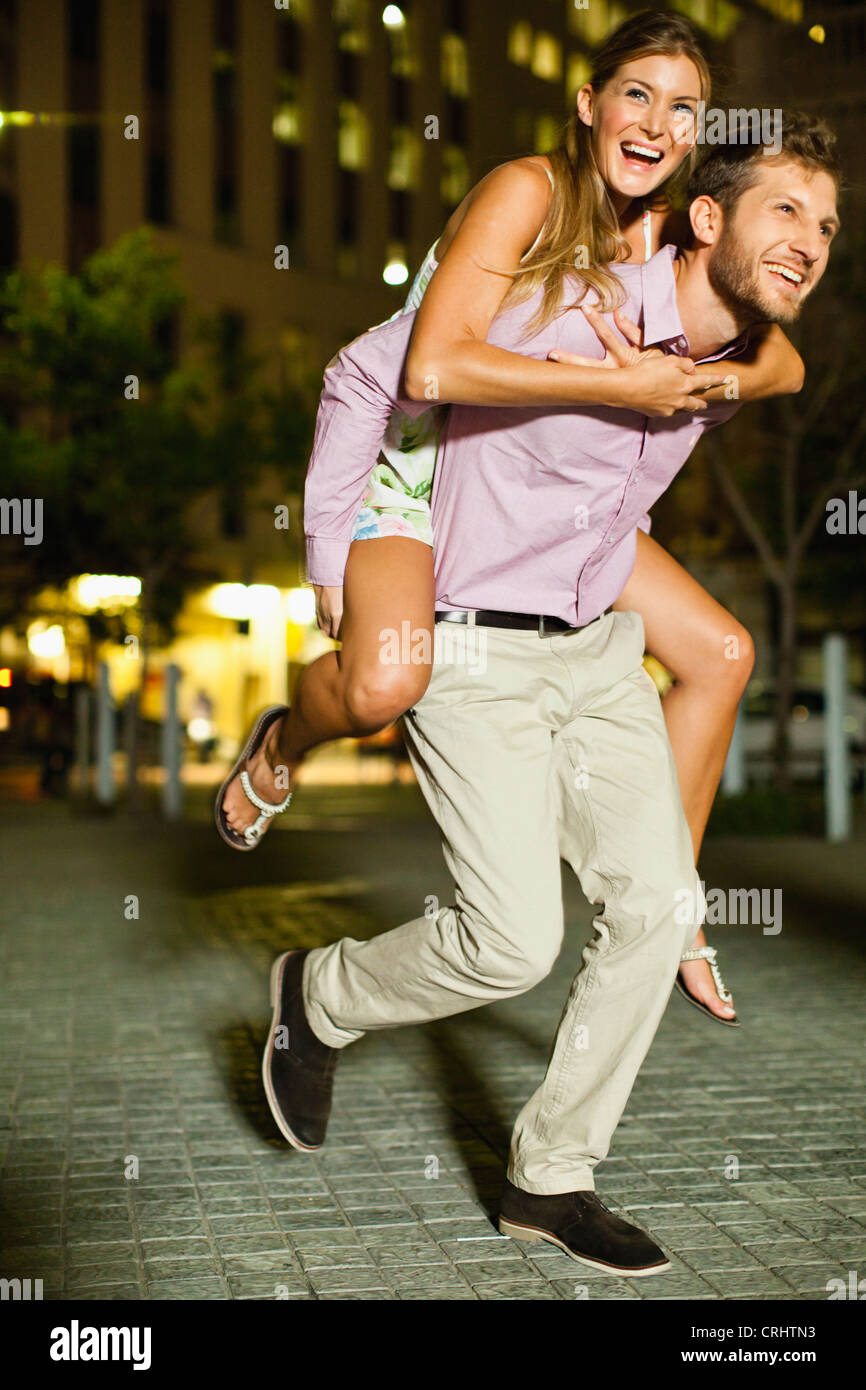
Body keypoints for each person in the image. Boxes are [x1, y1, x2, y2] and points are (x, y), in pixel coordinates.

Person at [259, 118, 841, 1276]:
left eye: (827, 225)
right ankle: (319, 989)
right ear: (704, 219)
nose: (811, 241)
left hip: (593, 651)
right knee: (508, 945)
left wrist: (719, 376)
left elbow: (788, 363)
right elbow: (396, 368)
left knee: (654, 907)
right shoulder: (578, 297)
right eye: (786, 211)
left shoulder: (733, 351)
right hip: (474, 646)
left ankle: (549, 1176)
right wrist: (333, 547)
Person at [218, 11, 804, 1025]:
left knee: (719, 650)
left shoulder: (671, 232)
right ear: (587, 104)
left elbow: (784, 361)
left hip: (537, 496)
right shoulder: (523, 191)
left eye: (683, 109)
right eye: (635, 94)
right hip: (424, 466)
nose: (656, 123)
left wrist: (701, 389)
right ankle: (281, 747)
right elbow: (426, 367)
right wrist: (632, 393)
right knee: (380, 682)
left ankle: (673, 904)